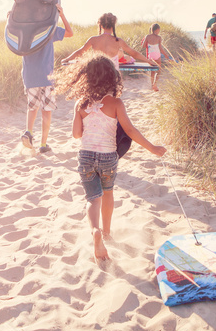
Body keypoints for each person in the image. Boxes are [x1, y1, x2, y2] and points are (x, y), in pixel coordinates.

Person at [53, 54, 166, 261]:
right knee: (108, 194)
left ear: (86, 78)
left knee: (92, 199)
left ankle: (94, 230)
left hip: (86, 157)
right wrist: (152, 148)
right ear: (112, 78)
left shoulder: (81, 103)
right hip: (108, 157)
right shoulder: (116, 104)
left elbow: (77, 134)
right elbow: (130, 130)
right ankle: (106, 232)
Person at [21, 3, 73, 154]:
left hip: (30, 75)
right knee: (46, 110)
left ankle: (28, 132)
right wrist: (61, 14)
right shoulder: (50, 31)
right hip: (46, 75)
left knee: (32, 108)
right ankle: (43, 144)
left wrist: (11, 20)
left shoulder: (25, 32)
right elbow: (70, 33)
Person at [61, 13, 152, 70]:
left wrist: (67, 59)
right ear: (113, 26)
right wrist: (148, 61)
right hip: (112, 75)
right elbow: (134, 53)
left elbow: (80, 52)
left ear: (100, 26)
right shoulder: (118, 41)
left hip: (98, 73)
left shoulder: (93, 39)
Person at [140, 23, 174, 92]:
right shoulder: (159, 38)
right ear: (157, 29)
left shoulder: (147, 36)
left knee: (152, 71)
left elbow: (143, 46)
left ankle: (152, 85)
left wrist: (148, 43)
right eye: (159, 30)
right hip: (157, 55)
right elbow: (160, 48)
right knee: (158, 70)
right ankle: (155, 83)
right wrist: (166, 55)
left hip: (150, 55)